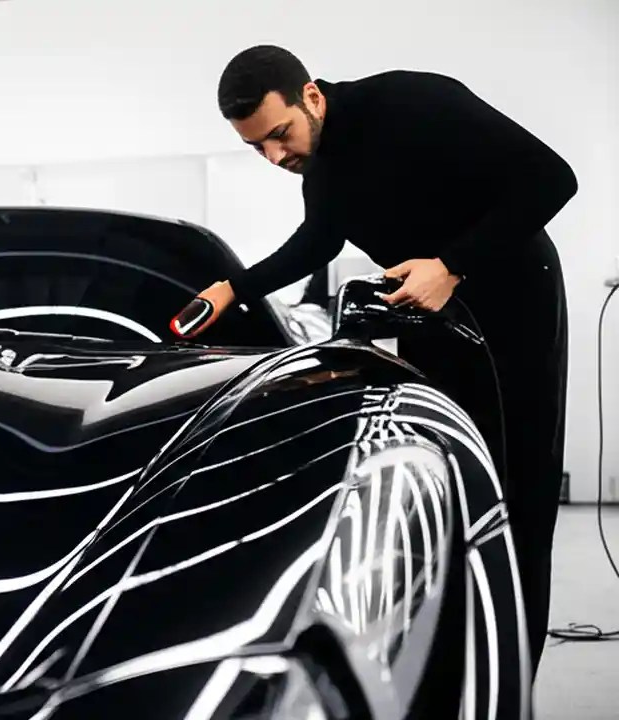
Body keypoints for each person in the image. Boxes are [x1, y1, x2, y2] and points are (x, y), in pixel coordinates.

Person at [188, 45, 575, 681]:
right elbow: (318, 240)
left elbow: (552, 178)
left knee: (517, 493)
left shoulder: (414, 102)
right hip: (426, 313)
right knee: (444, 490)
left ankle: (511, 675)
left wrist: (452, 264)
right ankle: (450, 660)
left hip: (513, 303)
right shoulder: (320, 166)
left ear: (311, 95)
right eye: (258, 148)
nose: (276, 157)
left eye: (279, 135)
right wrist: (234, 289)